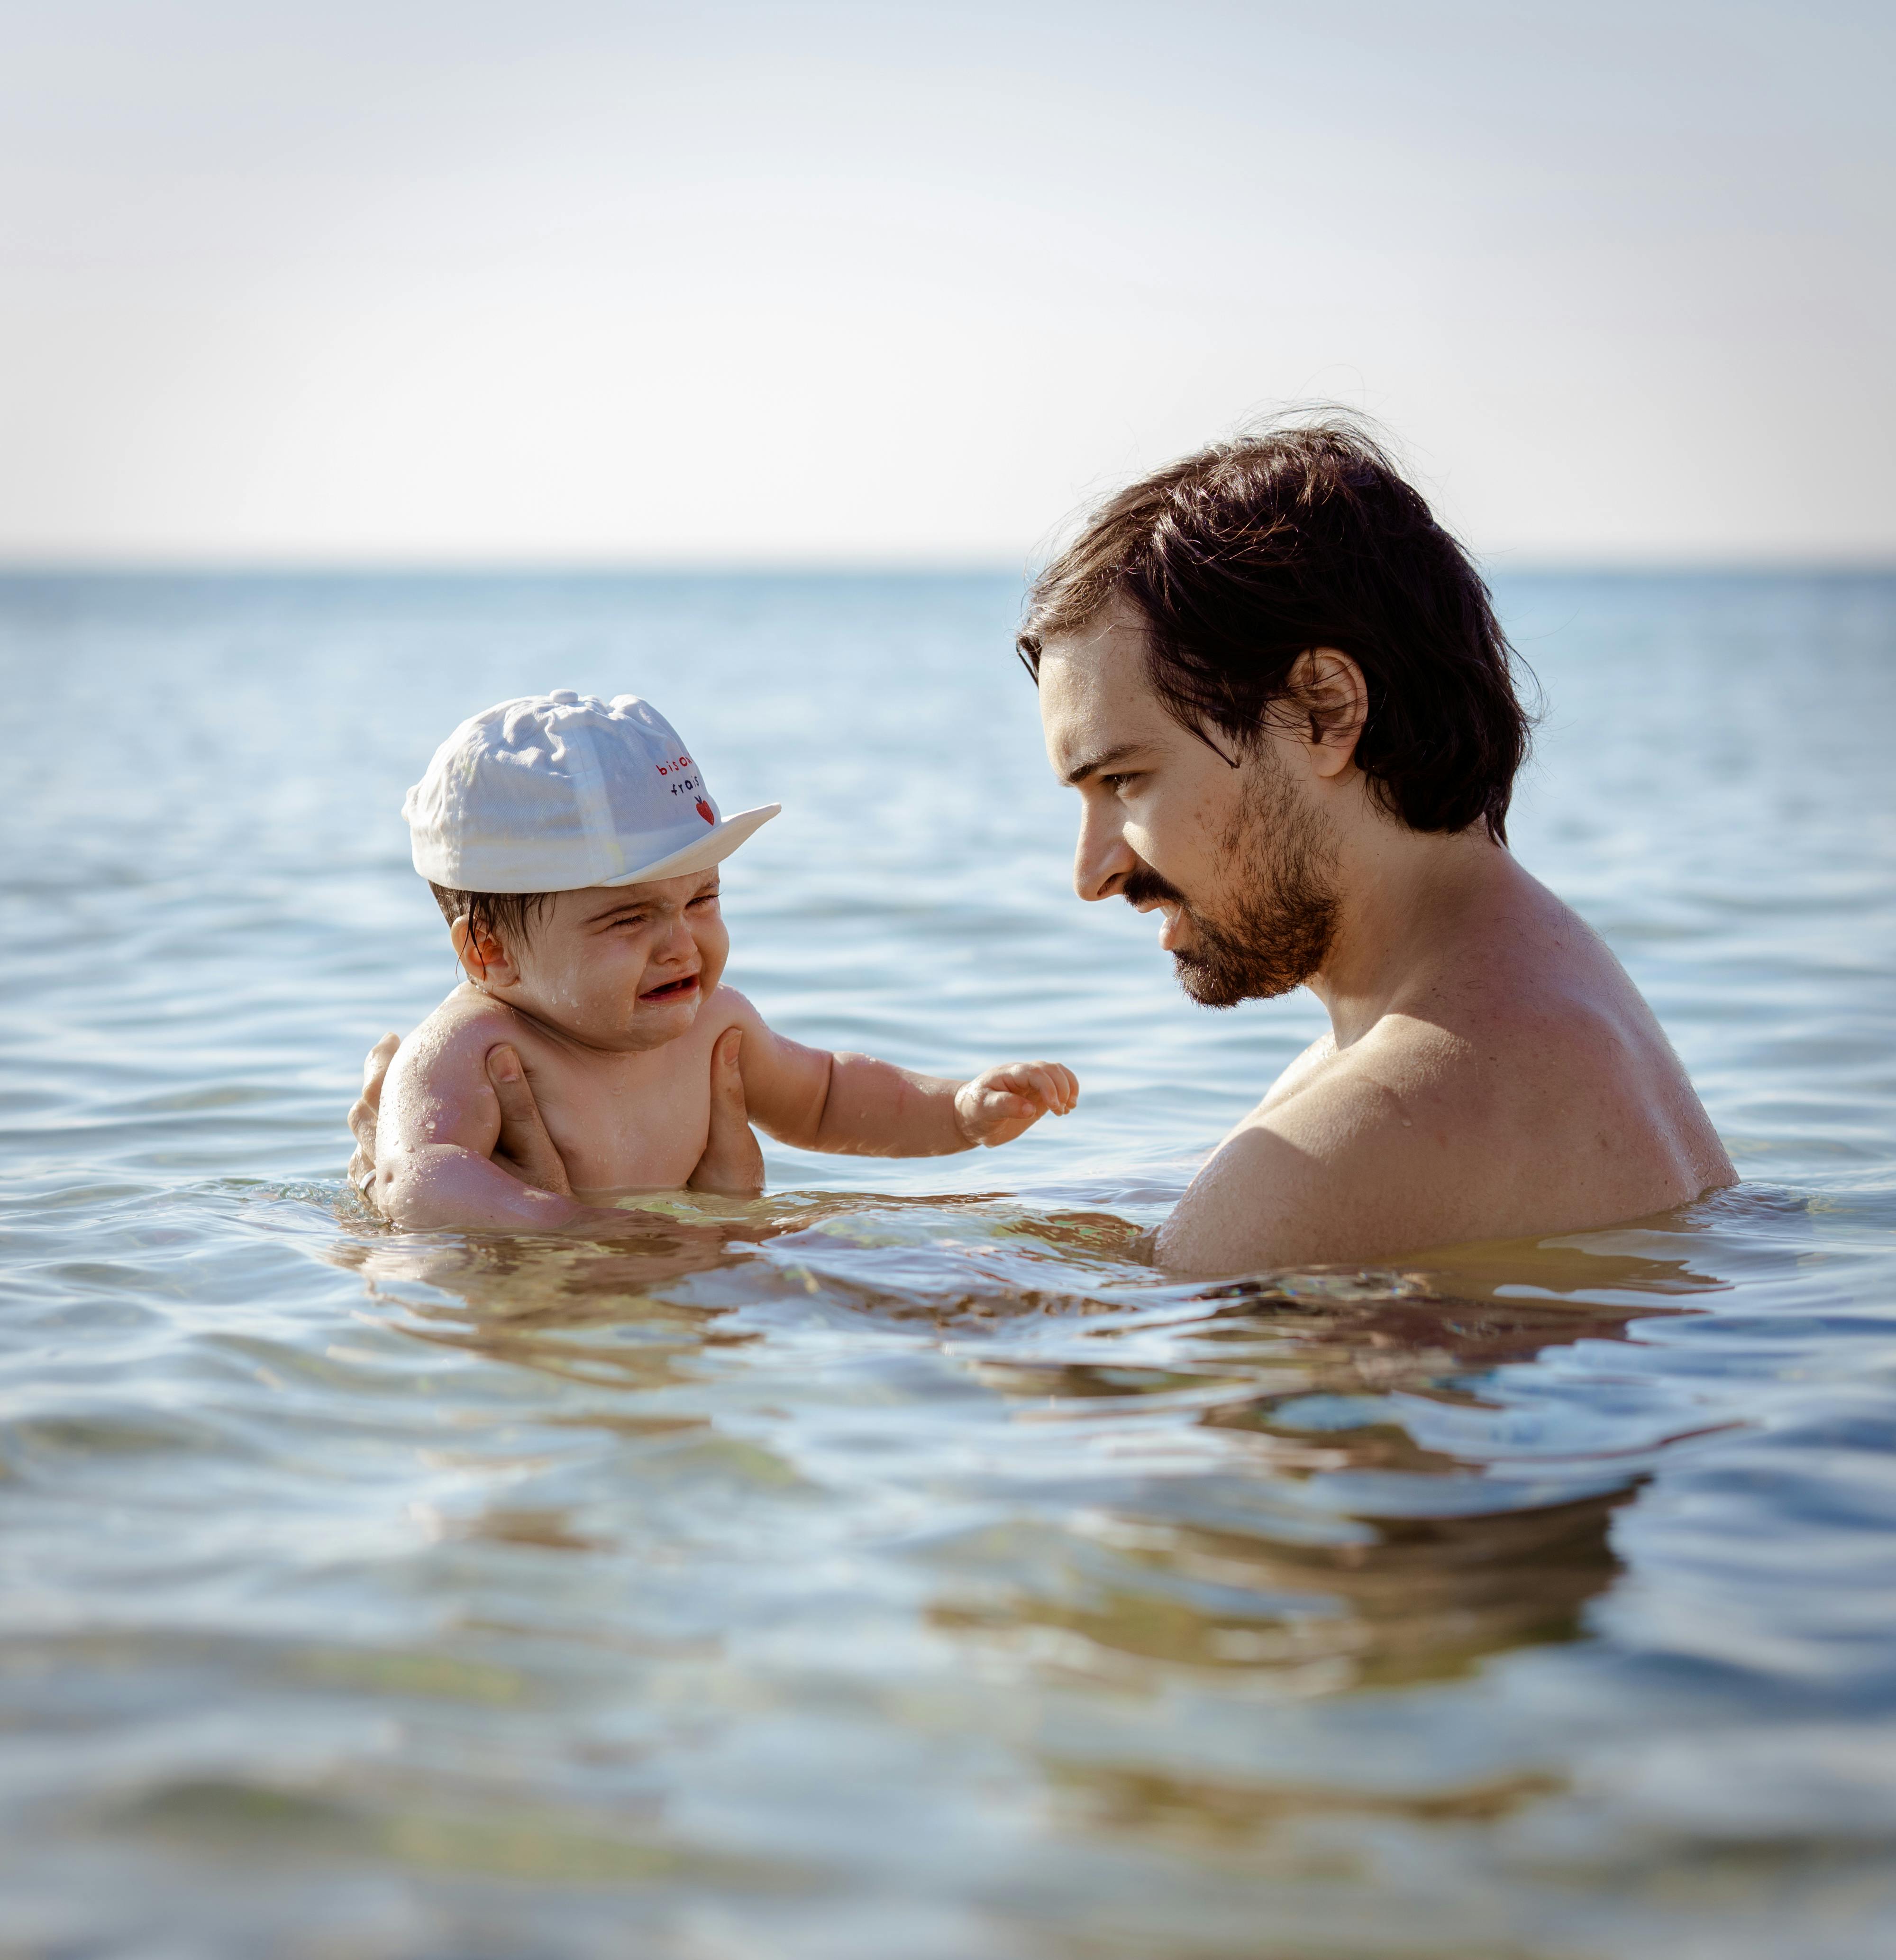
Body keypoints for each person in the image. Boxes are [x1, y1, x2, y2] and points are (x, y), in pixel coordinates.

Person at [351, 421, 1734, 1272]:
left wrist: (651, 1261)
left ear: (1324, 709)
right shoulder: (1520, 1011)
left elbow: (1103, 1392)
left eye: (1123, 778)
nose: (1090, 868)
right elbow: (1196, 1240)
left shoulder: (1410, 1103)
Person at [367, 691, 1076, 1232]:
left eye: (703, 899)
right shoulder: (472, 1048)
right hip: (529, 1314)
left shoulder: (715, 1026)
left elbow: (828, 1097)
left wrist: (957, 1111)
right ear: (488, 951)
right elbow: (416, 1177)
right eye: (629, 917)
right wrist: (574, 1231)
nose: (682, 943)